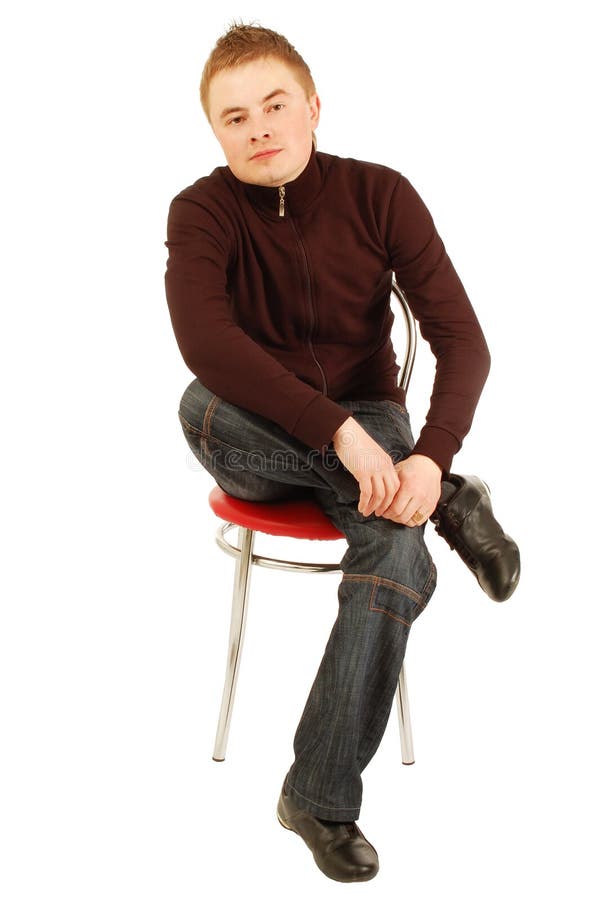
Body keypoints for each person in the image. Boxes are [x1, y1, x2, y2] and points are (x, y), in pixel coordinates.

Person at [164, 23, 513, 883]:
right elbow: (206, 342)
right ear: (217, 132)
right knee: (197, 399)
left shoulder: (379, 194)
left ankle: (315, 799)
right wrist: (341, 436)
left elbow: (462, 340)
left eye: (274, 105)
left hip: (377, 434)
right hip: (246, 427)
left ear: (313, 107)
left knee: (397, 546)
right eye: (234, 117)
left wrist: (425, 456)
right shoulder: (200, 210)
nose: (257, 128)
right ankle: (452, 501)